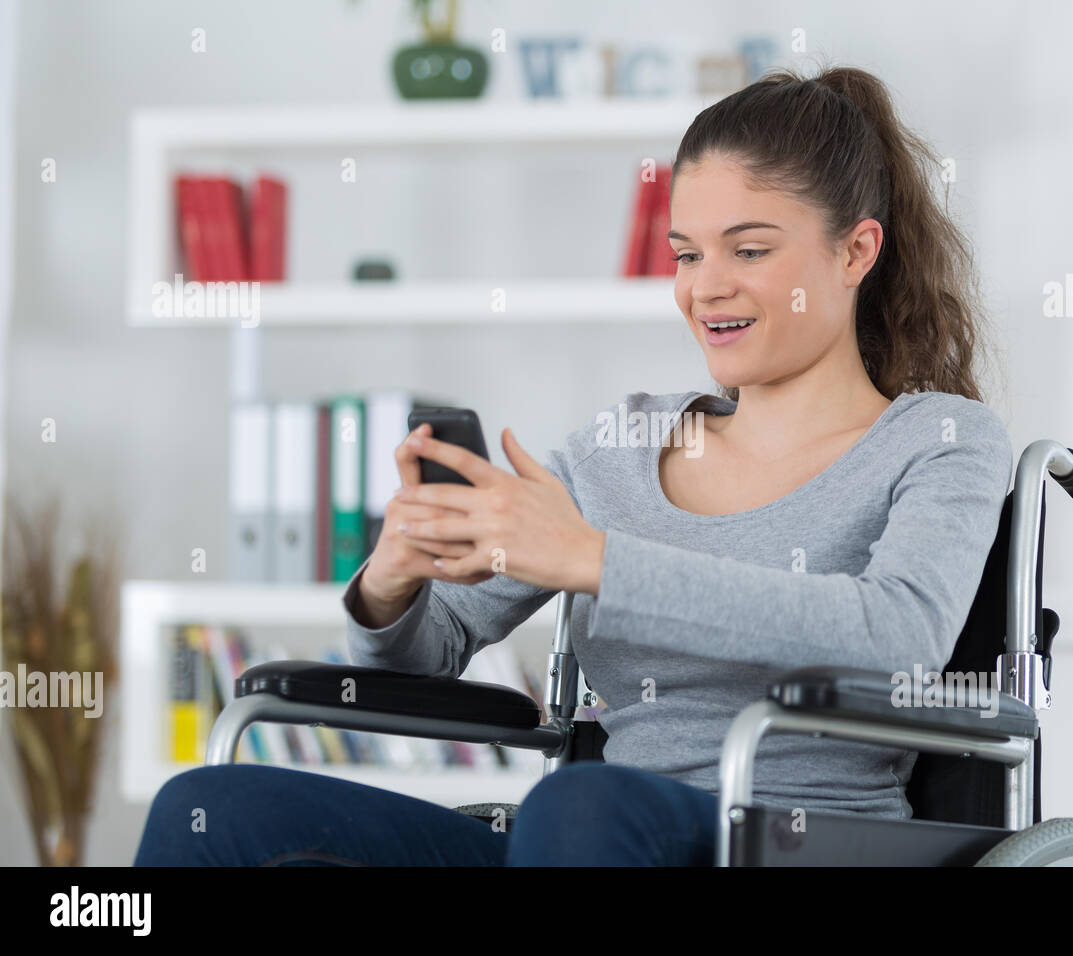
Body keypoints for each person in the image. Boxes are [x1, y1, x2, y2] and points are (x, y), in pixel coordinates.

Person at [134, 63, 1012, 867]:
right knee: (209, 809)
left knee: (583, 809)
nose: (705, 288)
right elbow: (424, 657)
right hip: (586, 841)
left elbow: (898, 636)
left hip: (795, 843)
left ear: (856, 252)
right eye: (686, 254)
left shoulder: (941, 440)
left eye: (749, 251)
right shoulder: (617, 448)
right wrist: (394, 583)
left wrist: (595, 560)